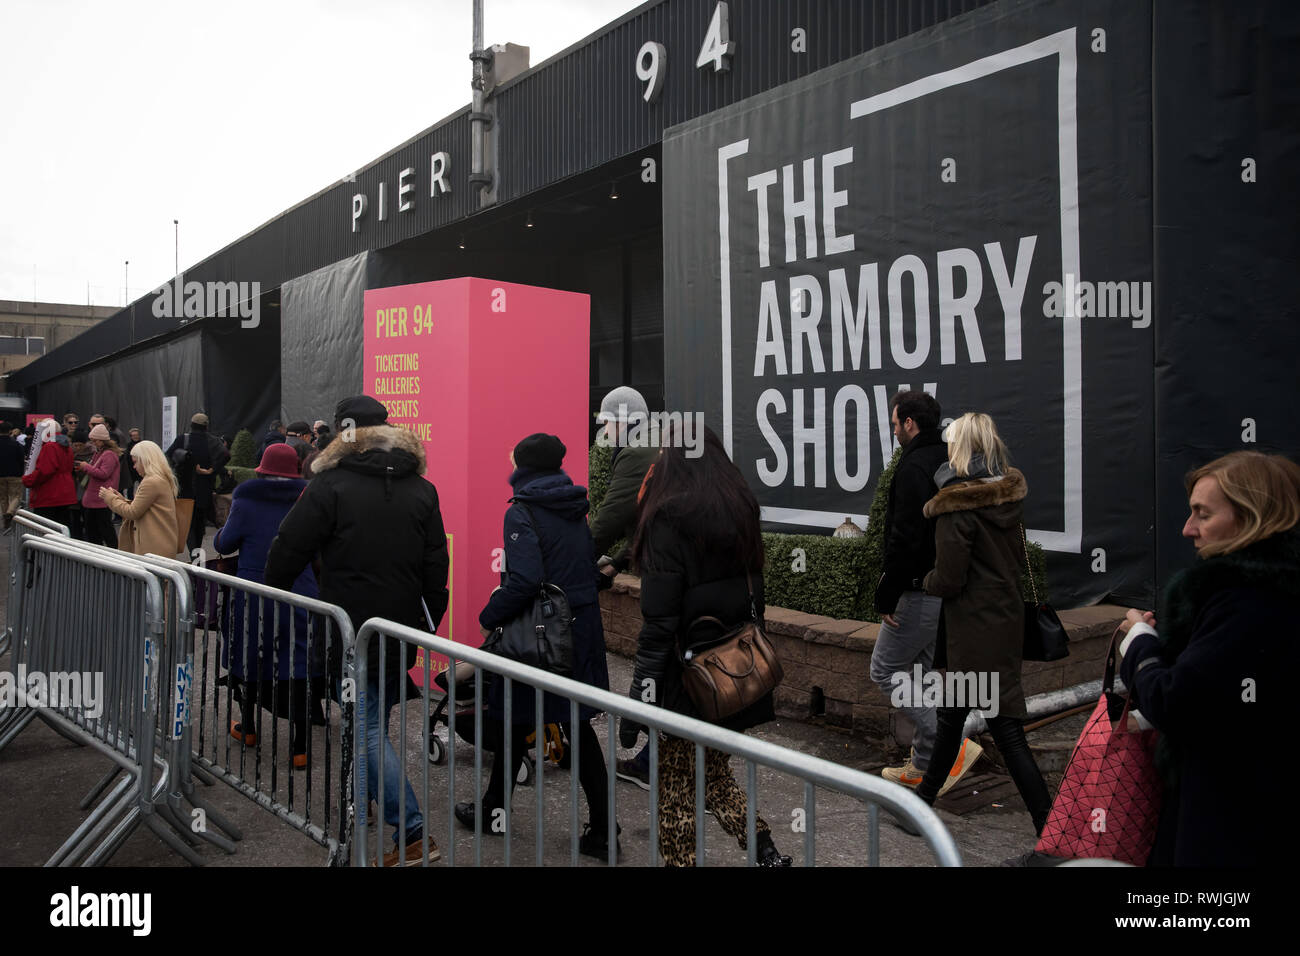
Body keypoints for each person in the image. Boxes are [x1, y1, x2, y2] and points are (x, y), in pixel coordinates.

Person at [265, 395, 449, 867]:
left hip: (350, 630)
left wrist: (276, 593)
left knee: (365, 729)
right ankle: (358, 805)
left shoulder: (330, 485)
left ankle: (411, 832)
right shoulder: (422, 489)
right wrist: (427, 621)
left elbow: (289, 546)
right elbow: (436, 568)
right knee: (373, 723)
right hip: (397, 629)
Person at [619, 426, 792, 867]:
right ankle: (765, 848)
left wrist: (640, 700)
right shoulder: (741, 508)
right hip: (732, 672)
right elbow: (757, 595)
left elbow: (657, 626)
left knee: (675, 786)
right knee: (712, 771)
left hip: (687, 678)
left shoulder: (665, 518)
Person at [1117, 451, 1299, 866]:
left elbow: (1178, 702)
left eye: (1203, 514)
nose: (1187, 529)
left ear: (1252, 518)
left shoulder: (1248, 602)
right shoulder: (1267, 594)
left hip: (1231, 818)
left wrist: (1141, 646)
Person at [464, 433, 616, 860]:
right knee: (569, 722)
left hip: (542, 637)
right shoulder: (574, 507)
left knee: (516, 714)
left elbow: (525, 580)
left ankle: (496, 811)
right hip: (580, 631)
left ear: (522, 465)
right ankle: (602, 828)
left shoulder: (523, 511)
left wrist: (490, 614)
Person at [905, 413, 1051, 836]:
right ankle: (922, 807)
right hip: (1002, 624)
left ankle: (1050, 826)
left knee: (1006, 731)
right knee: (952, 720)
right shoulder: (1007, 498)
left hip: (973, 632)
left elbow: (949, 578)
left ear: (961, 449)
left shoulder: (955, 507)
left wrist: (926, 580)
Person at [872, 390, 983, 792]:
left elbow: (906, 538)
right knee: (918, 673)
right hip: (943, 591)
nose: (894, 430)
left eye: (895, 423)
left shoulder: (913, 466)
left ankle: (949, 748)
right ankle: (923, 763)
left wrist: (887, 592)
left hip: (917, 592)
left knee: (884, 670)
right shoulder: (949, 459)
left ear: (910, 424)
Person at [214, 443, 323, 769]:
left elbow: (224, 542)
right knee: (299, 665)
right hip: (299, 590)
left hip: (254, 593)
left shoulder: (246, 498)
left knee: (249, 658)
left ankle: (248, 729)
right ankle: (300, 748)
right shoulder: (309, 499)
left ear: (261, 468)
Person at [588, 386, 661, 791]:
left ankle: (645, 745)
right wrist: (618, 562)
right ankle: (655, 757)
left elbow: (613, 517)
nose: (605, 432)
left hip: (667, 576)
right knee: (673, 667)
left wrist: (578, 557)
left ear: (626, 420)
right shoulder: (655, 443)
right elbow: (648, 522)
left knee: (658, 659)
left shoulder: (635, 452)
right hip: (679, 571)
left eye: (608, 423)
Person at [99, 440, 179, 557]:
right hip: (159, 544)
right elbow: (142, 507)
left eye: (136, 462)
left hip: (153, 547)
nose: (134, 467)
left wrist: (110, 498)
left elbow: (133, 512)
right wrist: (121, 500)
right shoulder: (158, 478)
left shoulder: (151, 481)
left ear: (145, 460)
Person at [166, 412, 230, 553]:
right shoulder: (212, 440)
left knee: (187, 523)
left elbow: (168, 457)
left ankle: (193, 554)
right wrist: (212, 469)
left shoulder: (183, 439)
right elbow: (226, 455)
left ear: (191, 425)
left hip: (185, 488)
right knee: (199, 523)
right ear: (206, 426)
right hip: (204, 489)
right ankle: (197, 554)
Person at [21, 419, 76, 527]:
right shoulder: (65, 446)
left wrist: (28, 480)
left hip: (49, 494)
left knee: (46, 530)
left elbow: (45, 471)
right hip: (64, 492)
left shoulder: (50, 446)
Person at [76, 424, 122, 547]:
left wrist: (86, 467)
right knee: (95, 531)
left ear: (102, 440)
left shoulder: (108, 455)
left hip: (101, 499)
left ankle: (114, 556)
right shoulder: (101, 453)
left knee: (104, 531)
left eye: (95, 440)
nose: (93, 443)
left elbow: (103, 474)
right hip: (96, 499)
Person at [0, 422, 25, 529]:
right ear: (10, 431)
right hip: (15, 474)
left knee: (3, 498)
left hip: (0, 475)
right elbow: (21, 460)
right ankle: (10, 513)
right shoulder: (16, 444)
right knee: (16, 496)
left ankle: (6, 516)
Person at [120, 427, 143, 498]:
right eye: (133, 435)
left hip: (142, 469)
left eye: (137, 435)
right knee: (130, 488)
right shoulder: (128, 446)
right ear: (130, 436)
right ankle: (130, 501)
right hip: (131, 470)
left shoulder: (143, 444)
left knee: (143, 486)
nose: (135, 437)